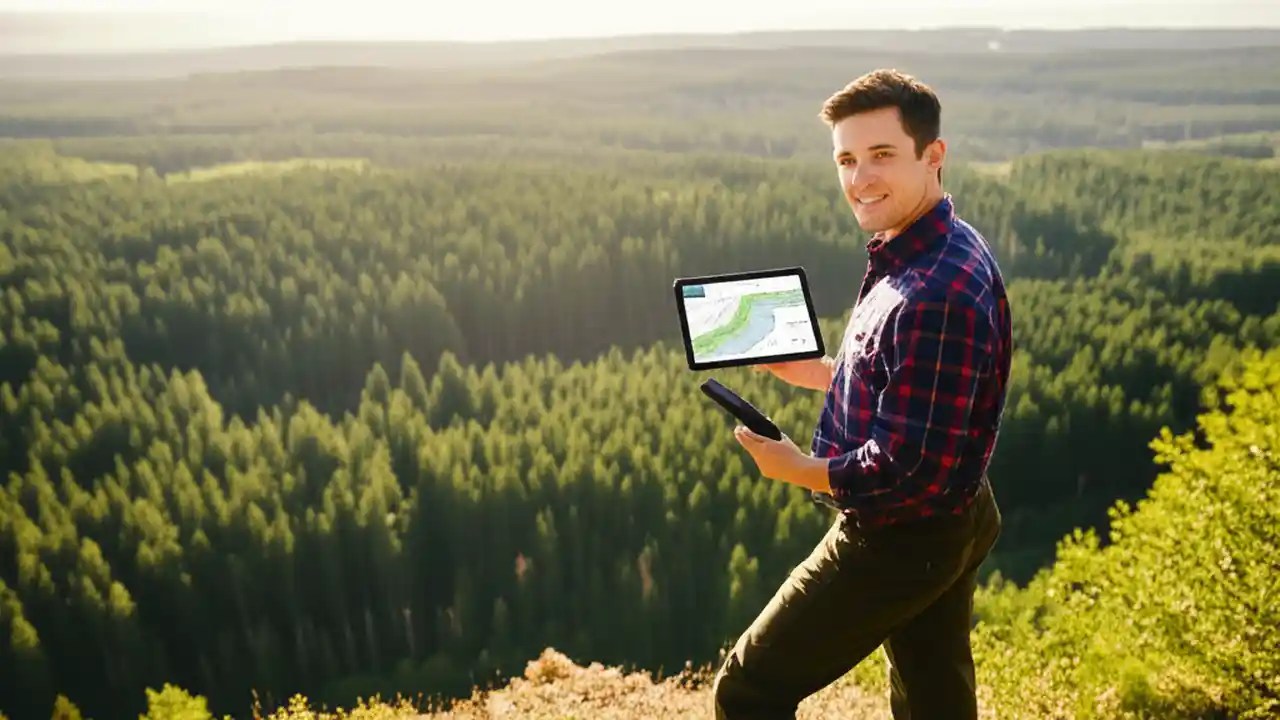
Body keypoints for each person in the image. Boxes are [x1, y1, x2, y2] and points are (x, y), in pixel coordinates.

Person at [714, 68, 1012, 719]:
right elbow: (915, 381)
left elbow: (906, 470)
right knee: (934, 695)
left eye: (881, 155)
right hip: (959, 513)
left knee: (748, 689)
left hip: (903, 536)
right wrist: (823, 371)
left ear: (933, 155)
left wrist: (797, 469)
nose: (859, 178)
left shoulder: (934, 291)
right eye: (846, 159)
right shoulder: (933, 244)